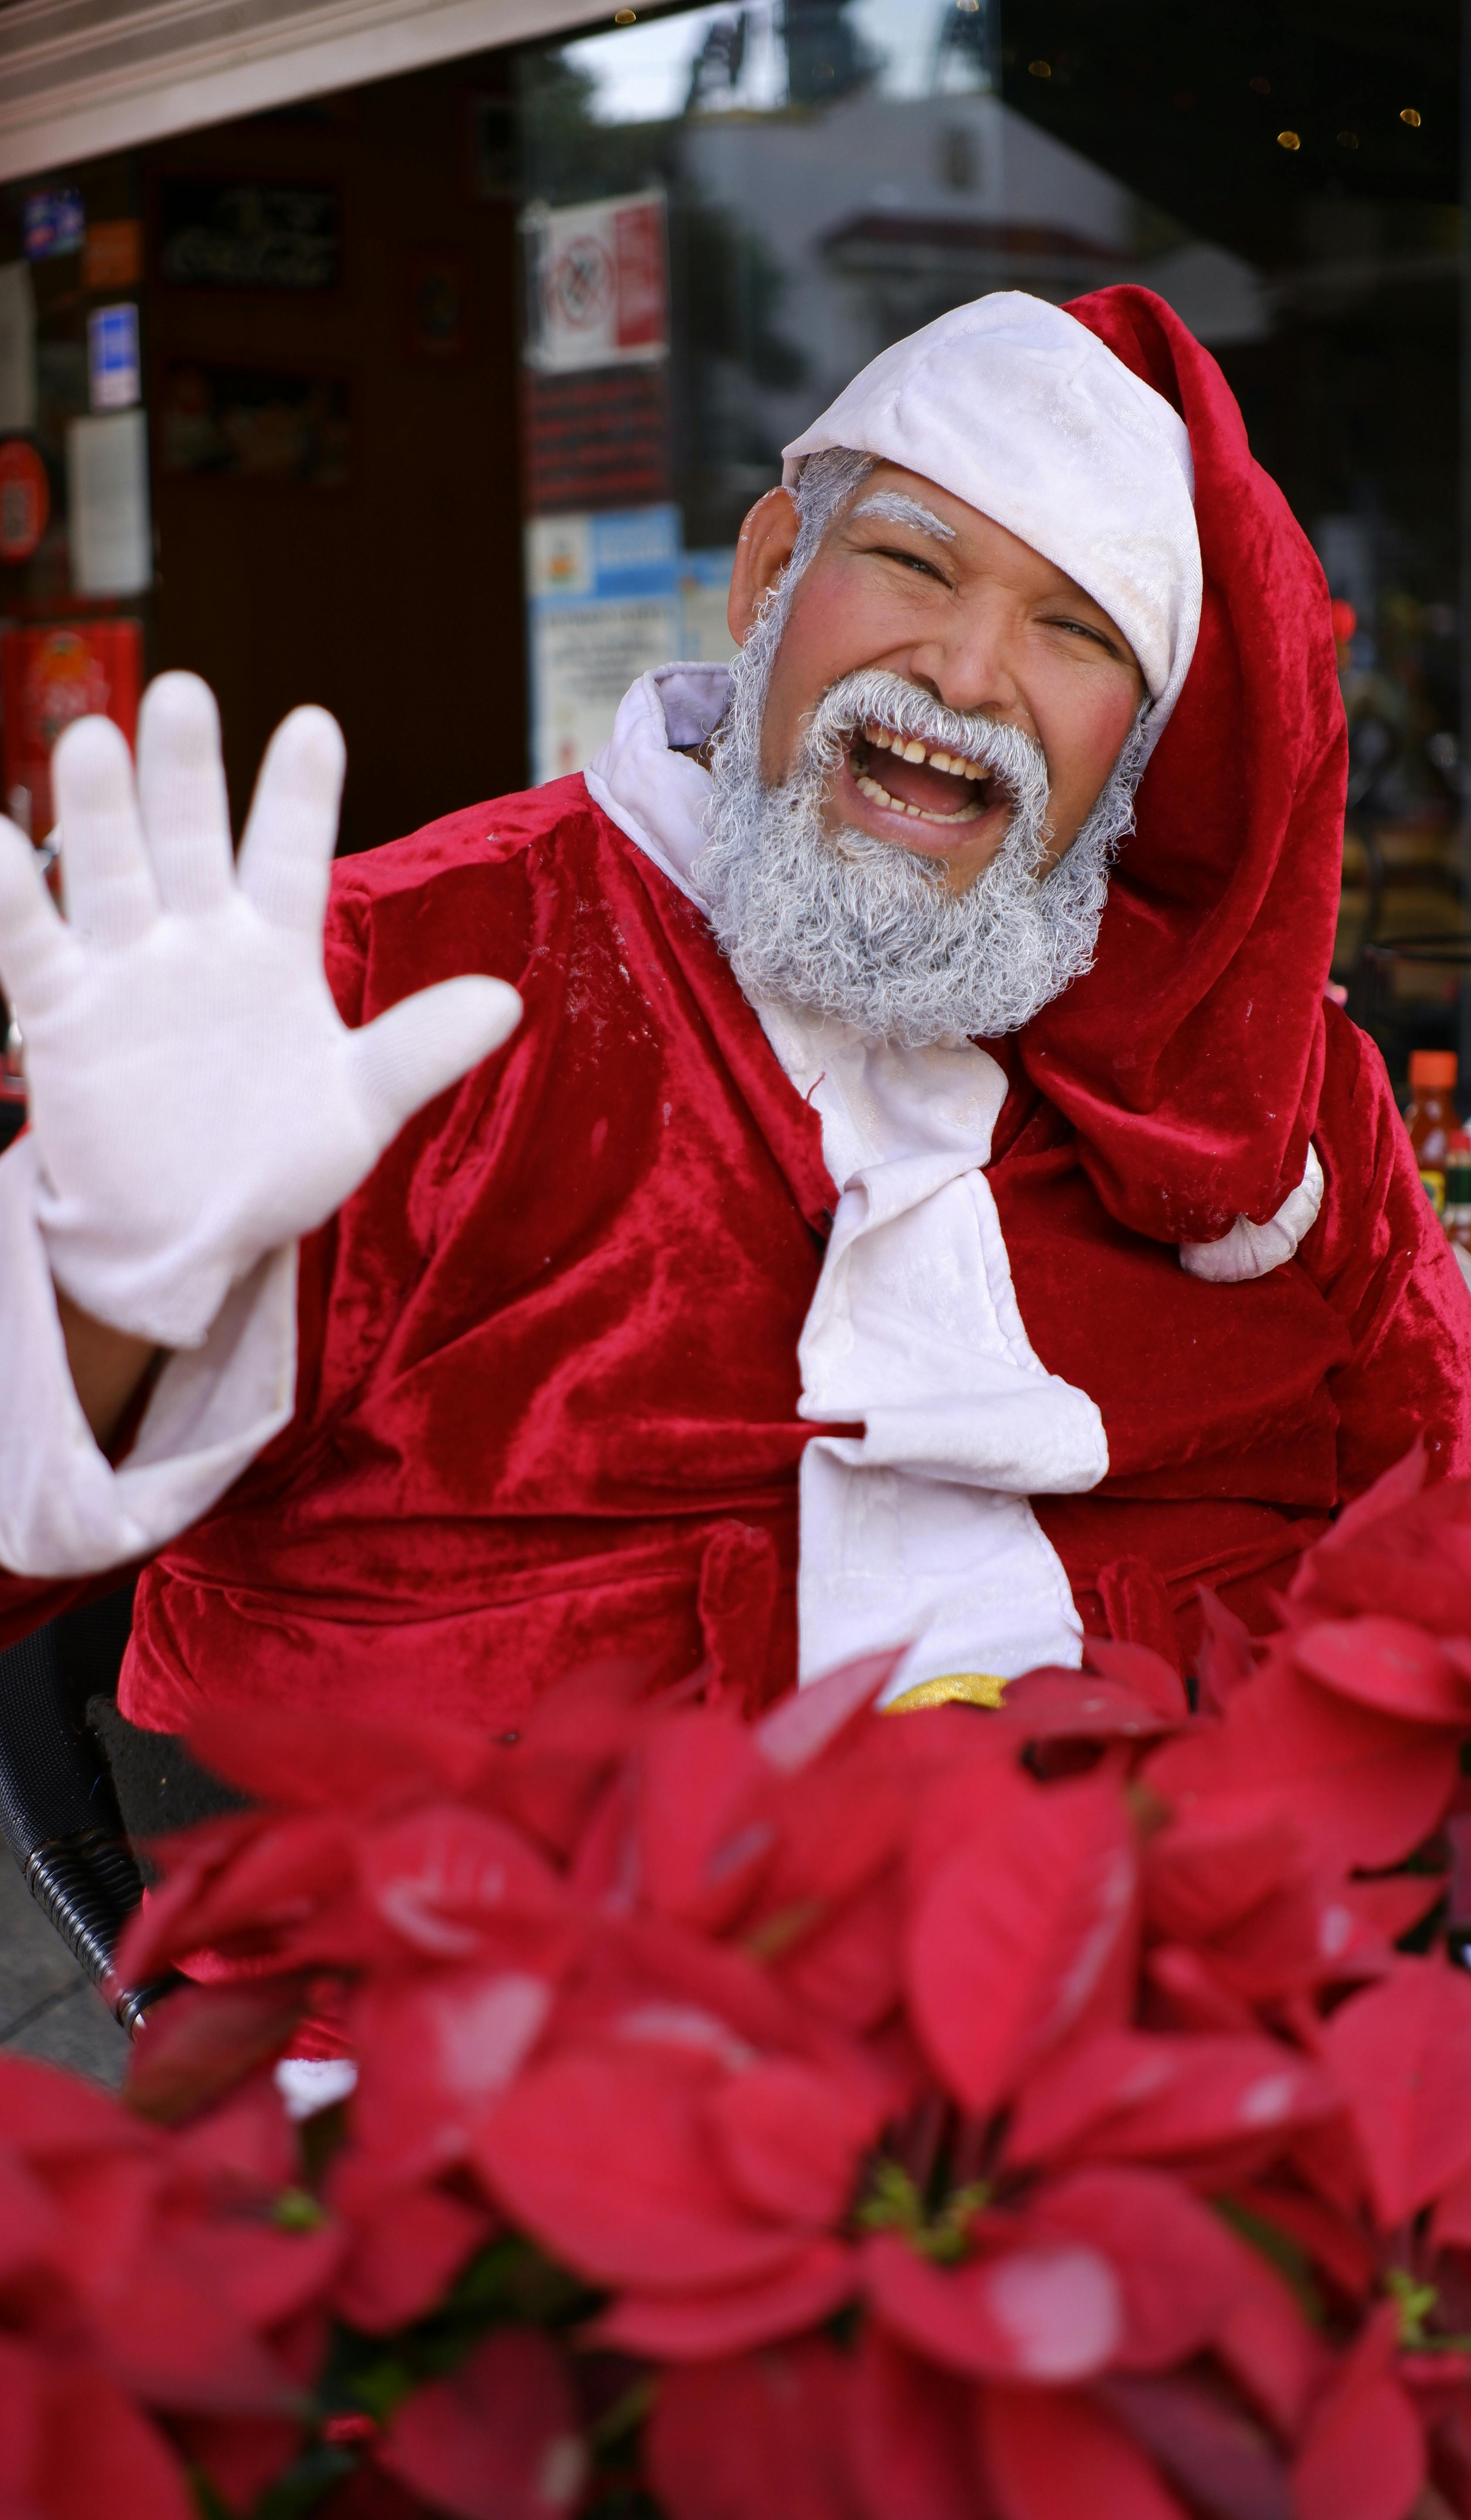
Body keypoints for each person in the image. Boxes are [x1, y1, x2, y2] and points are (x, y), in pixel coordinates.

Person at [0, 287, 1466, 1769]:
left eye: (1075, 633)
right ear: (769, 574)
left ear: (1136, 749)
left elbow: (1447, 1507)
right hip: (509, 1978)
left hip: (1197, 1957)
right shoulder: (381, 982)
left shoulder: (1258, 1095)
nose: (966, 677)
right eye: (910, 564)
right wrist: (102, 1276)